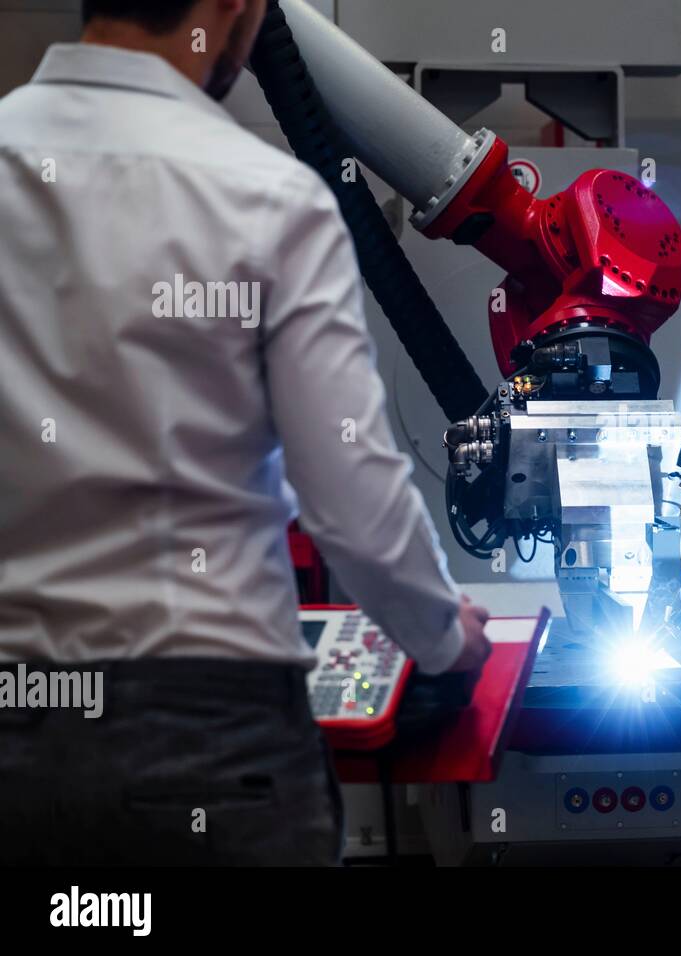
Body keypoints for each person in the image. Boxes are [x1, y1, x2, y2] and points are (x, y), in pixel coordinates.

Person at [0, 0, 489, 865]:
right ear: (234, 8)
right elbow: (351, 503)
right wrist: (444, 637)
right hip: (204, 742)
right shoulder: (265, 197)